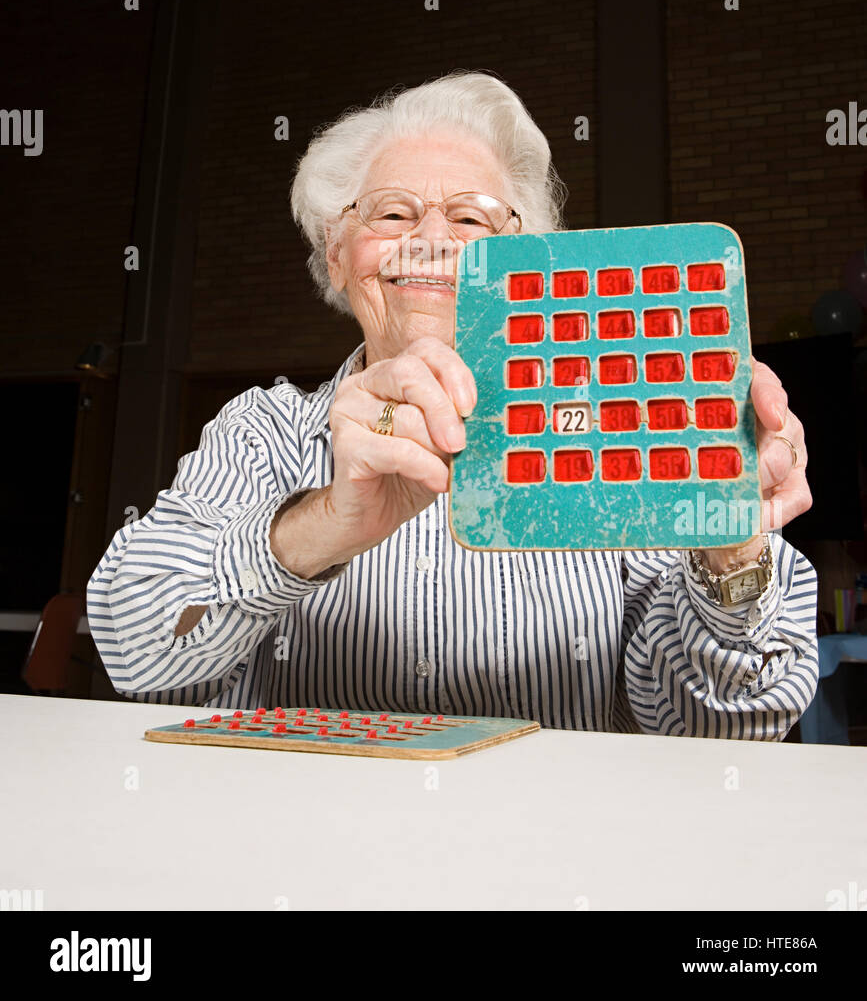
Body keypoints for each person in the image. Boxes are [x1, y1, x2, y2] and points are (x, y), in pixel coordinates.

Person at [87, 70, 818, 736]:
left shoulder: (621, 432)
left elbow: (720, 729)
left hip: (557, 862)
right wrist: (319, 529)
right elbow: (133, 651)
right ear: (338, 258)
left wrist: (728, 543)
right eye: (392, 214)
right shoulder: (264, 432)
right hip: (311, 851)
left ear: (526, 263)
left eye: (471, 220)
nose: (433, 240)